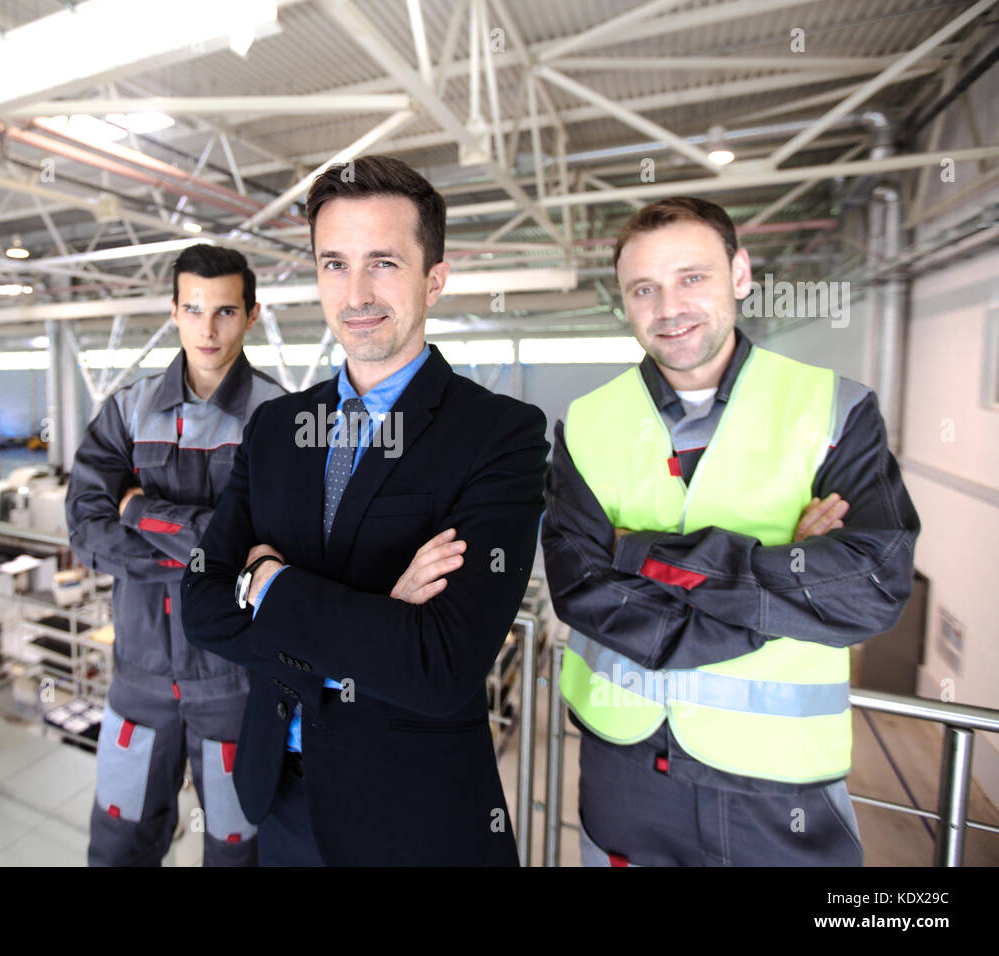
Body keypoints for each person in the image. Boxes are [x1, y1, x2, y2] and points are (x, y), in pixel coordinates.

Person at [180, 155, 548, 866]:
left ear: (433, 278)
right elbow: (200, 603)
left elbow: (442, 665)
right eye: (334, 264)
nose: (357, 294)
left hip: (413, 815)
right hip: (280, 796)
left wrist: (267, 586)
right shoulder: (277, 426)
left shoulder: (499, 434)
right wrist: (381, 615)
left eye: (383, 262)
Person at [542, 196, 920, 866]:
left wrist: (637, 553)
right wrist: (783, 578)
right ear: (624, 303)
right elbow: (581, 591)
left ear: (739, 274)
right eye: (644, 289)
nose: (670, 308)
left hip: (776, 788)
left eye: (693, 278)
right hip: (623, 771)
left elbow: (871, 586)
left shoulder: (833, 409)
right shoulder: (589, 423)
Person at [65, 243, 285, 866]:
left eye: (224, 312)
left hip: (233, 681)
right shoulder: (126, 411)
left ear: (250, 314)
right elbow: (85, 528)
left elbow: (274, 546)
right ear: (174, 313)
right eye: (193, 310)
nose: (208, 329)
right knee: (118, 845)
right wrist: (207, 558)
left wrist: (138, 511)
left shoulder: (279, 417)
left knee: (238, 850)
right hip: (138, 678)